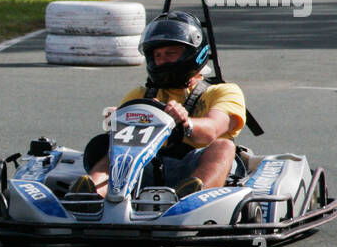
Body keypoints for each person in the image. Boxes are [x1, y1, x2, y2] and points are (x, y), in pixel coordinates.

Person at [70, 12, 247, 200]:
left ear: (193, 54)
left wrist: (185, 123)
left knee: (224, 146)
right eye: (157, 55)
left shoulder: (223, 92)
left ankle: (192, 198)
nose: (162, 60)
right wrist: (118, 121)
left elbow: (212, 130)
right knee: (113, 148)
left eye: (170, 53)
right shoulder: (140, 95)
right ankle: (91, 196)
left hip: (195, 165)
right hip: (147, 167)